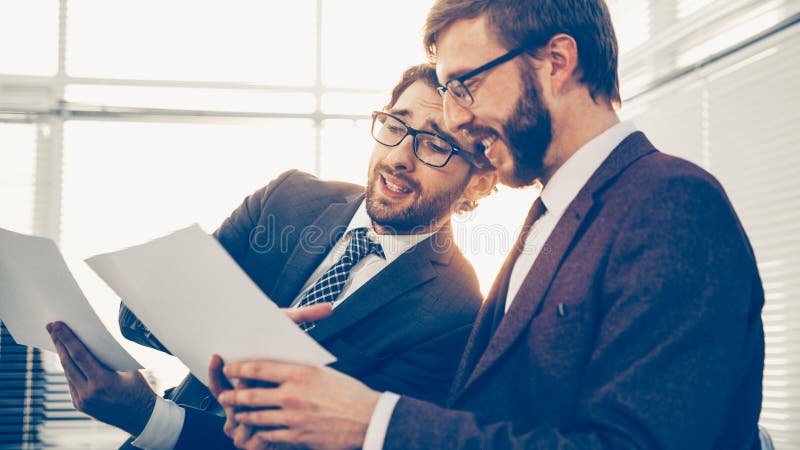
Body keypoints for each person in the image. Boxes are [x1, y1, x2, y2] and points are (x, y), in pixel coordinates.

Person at [210, 1, 766, 449]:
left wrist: (370, 424)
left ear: (556, 61)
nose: (455, 118)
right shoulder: (552, 216)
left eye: (464, 86)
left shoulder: (671, 202)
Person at [45, 63, 498, 450]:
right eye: (396, 126)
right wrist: (242, 340)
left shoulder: (456, 316)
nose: (400, 156)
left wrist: (149, 417)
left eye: (437, 145)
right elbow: (140, 311)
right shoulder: (288, 198)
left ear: (478, 182)